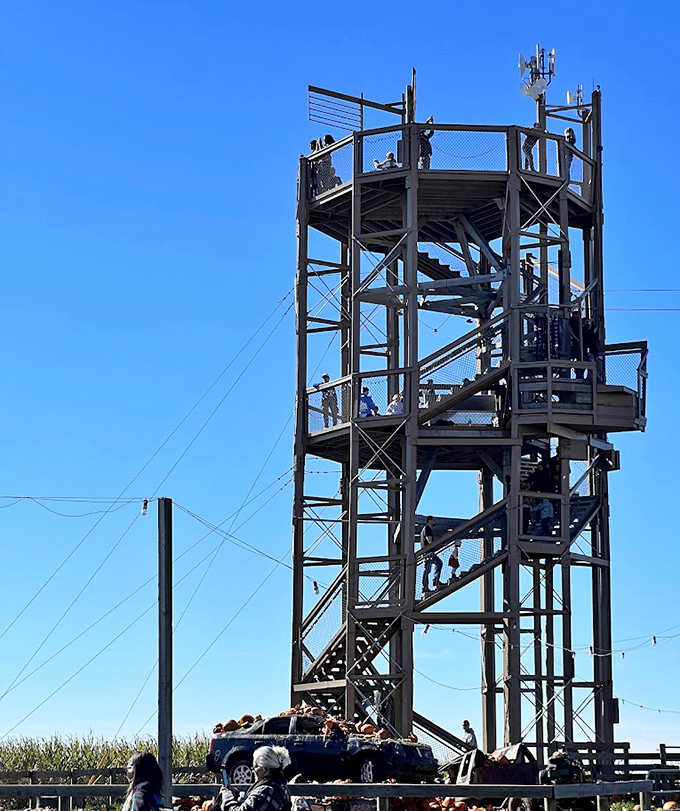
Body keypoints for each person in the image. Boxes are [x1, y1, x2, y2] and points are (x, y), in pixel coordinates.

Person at [214, 746, 292, 811]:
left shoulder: (266, 791)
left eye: (255, 766)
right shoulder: (280, 786)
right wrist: (235, 793)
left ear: (265, 770)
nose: (253, 769)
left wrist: (226, 795)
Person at [420, 516, 443, 594]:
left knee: (434, 566)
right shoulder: (427, 528)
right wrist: (436, 545)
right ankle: (428, 585)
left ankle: (433, 582)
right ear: (429, 521)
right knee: (428, 569)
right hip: (428, 553)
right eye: (433, 520)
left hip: (427, 553)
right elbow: (429, 540)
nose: (435, 522)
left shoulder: (425, 529)